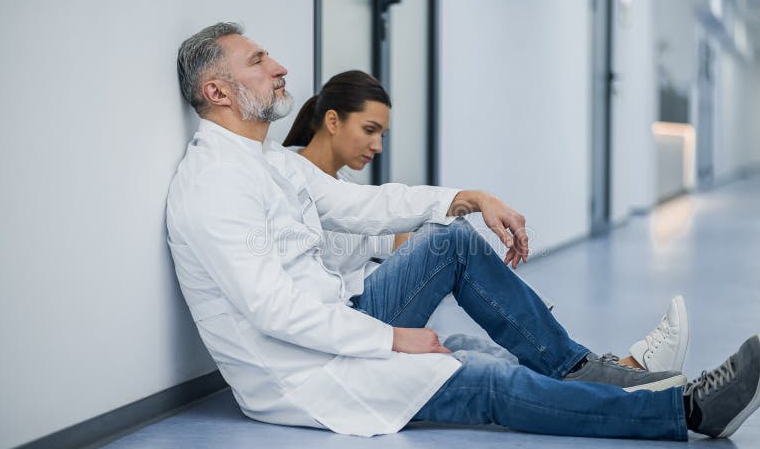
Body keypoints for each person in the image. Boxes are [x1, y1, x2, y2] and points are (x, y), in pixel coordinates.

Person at [167, 22, 760, 441]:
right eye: (258, 61)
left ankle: (598, 371)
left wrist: (470, 199)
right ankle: (685, 408)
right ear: (217, 91)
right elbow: (271, 311)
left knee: (452, 245)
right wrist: (391, 342)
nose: (279, 68)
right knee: (487, 378)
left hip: (345, 317)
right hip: (306, 375)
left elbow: (367, 208)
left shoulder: (272, 162)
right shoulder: (214, 185)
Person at [282, 69, 688, 372]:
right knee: (455, 242)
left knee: (475, 350)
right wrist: (474, 206)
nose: (378, 145)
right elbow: (369, 208)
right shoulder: (291, 176)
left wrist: (493, 280)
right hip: (341, 330)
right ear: (333, 121)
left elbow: (398, 239)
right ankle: (604, 370)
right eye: (370, 130)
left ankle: (616, 371)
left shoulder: (342, 185)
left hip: (362, 312)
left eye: (383, 134)